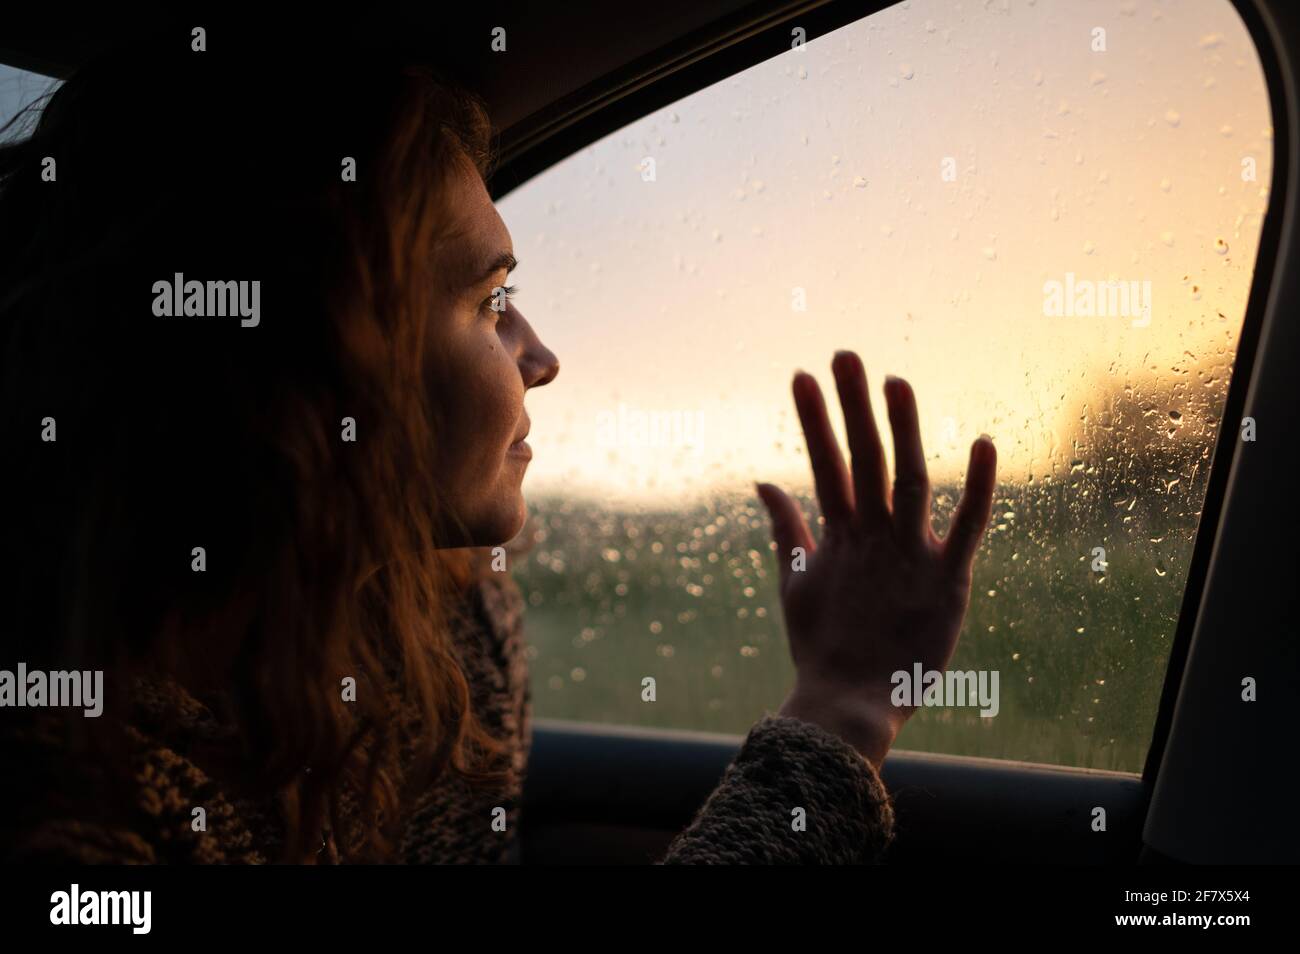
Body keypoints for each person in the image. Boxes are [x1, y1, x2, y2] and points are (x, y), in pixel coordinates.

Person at [0, 26, 995, 865]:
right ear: (310, 367)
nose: (542, 356)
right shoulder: (73, 813)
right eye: (490, 301)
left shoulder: (445, 628)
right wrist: (846, 710)